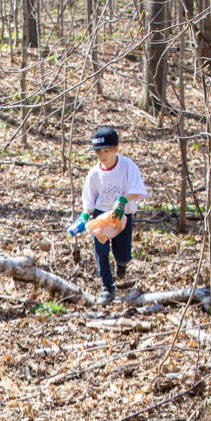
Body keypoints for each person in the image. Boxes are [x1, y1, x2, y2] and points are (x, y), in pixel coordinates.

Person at [67, 126, 149, 305]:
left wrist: (123, 200)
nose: (102, 155)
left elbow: (138, 190)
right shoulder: (94, 173)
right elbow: (89, 199)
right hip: (100, 216)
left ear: (116, 149)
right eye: (98, 152)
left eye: (106, 151)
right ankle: (107, 287)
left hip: (122, 216)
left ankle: (121, 264)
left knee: (123, 255)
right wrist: (84, 218)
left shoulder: (127, 166)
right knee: (101, 251)